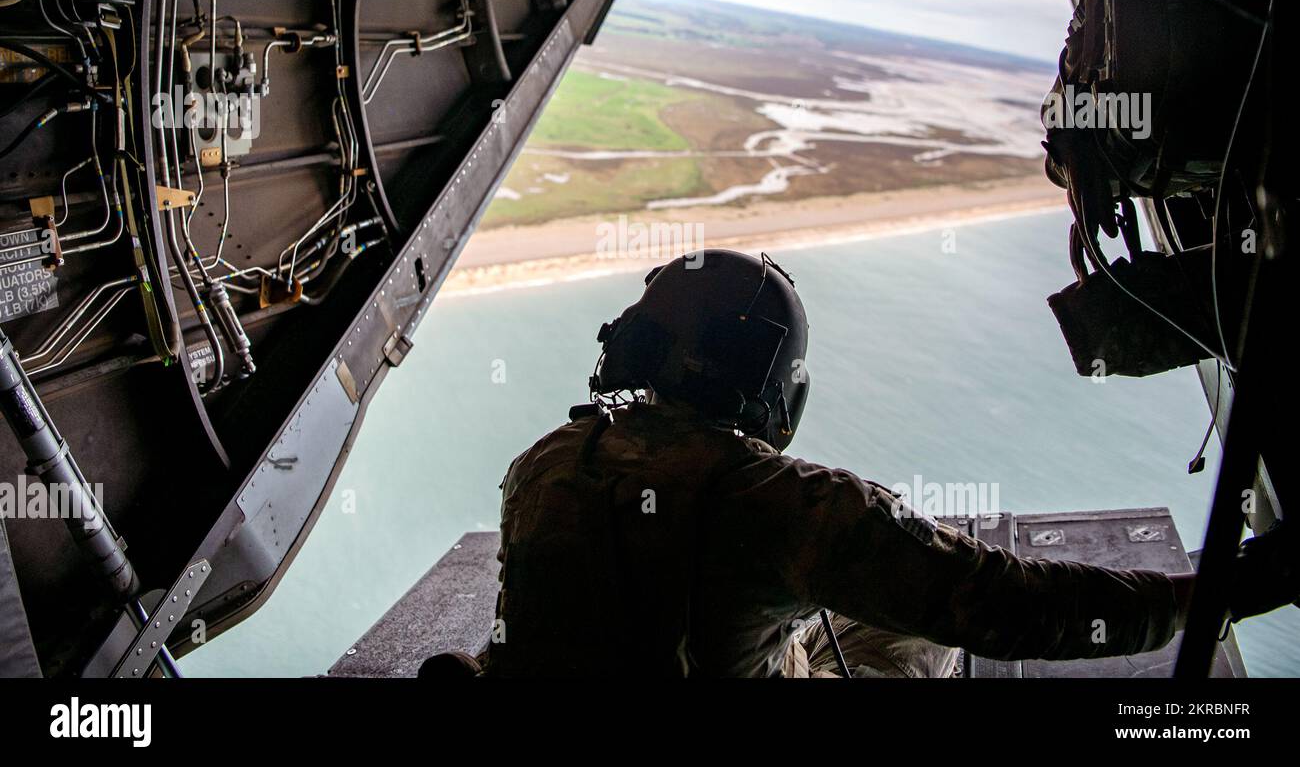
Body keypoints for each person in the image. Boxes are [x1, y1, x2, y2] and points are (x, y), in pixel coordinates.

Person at [484, 249, 1285, 677]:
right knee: (920, 639)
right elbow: (1019, 606)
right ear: (767, 382)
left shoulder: (546, 461)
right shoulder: (786, 505)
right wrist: (1218, 593)